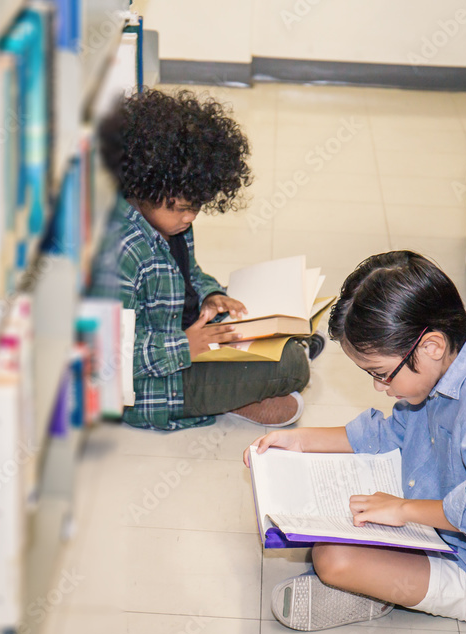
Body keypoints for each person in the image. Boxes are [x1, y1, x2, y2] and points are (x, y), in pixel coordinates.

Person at [243, 250, 466, 628]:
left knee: (332, 558)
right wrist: (301, 441)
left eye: (382, 374)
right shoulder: (443, 369)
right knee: (326, 521)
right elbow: (392, 432)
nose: (380, 387)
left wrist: (402, 510)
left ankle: (376, 594)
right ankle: (381, 578)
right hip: (437, 519)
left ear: (431, 347)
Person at [91, 89, 318, 431]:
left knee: (278, 324)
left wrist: (212, 294)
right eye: (182, 208)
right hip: (151, 384)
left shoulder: (170, 223)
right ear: (143, 186)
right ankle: (241, 397)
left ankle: (250, 379)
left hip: (188, 335)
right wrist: (184, 346)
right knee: (292, 366)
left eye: (197, 207)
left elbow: (189, 274)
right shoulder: (118, 252)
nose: (190, 218)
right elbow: (104, 355)